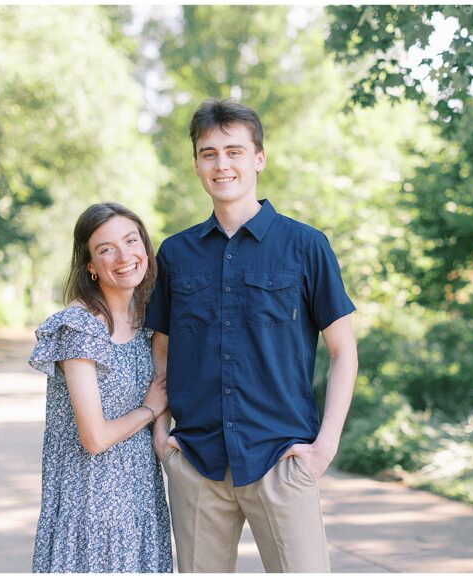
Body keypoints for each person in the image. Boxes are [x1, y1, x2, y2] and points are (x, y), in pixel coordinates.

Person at [146, 98, 359, 573]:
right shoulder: (175, 254)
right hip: (197, 462)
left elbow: (344, 351)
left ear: (259, 158)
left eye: (234, 151)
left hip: (281, 460)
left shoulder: (305, 246)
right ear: (196, 165)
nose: (221, 164)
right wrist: (162, 435)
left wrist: (324, 447)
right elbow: (162, 349)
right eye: (209, 154)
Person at [28, 202, 172, 573]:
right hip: (91, 502)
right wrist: (149, 410)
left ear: (145, 248)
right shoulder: (80, 327)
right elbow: (94, 438)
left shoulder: (147, 320)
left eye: (131, 241)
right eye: (106, 249)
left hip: (141, 498)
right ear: (90, 265)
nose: (124, 256)